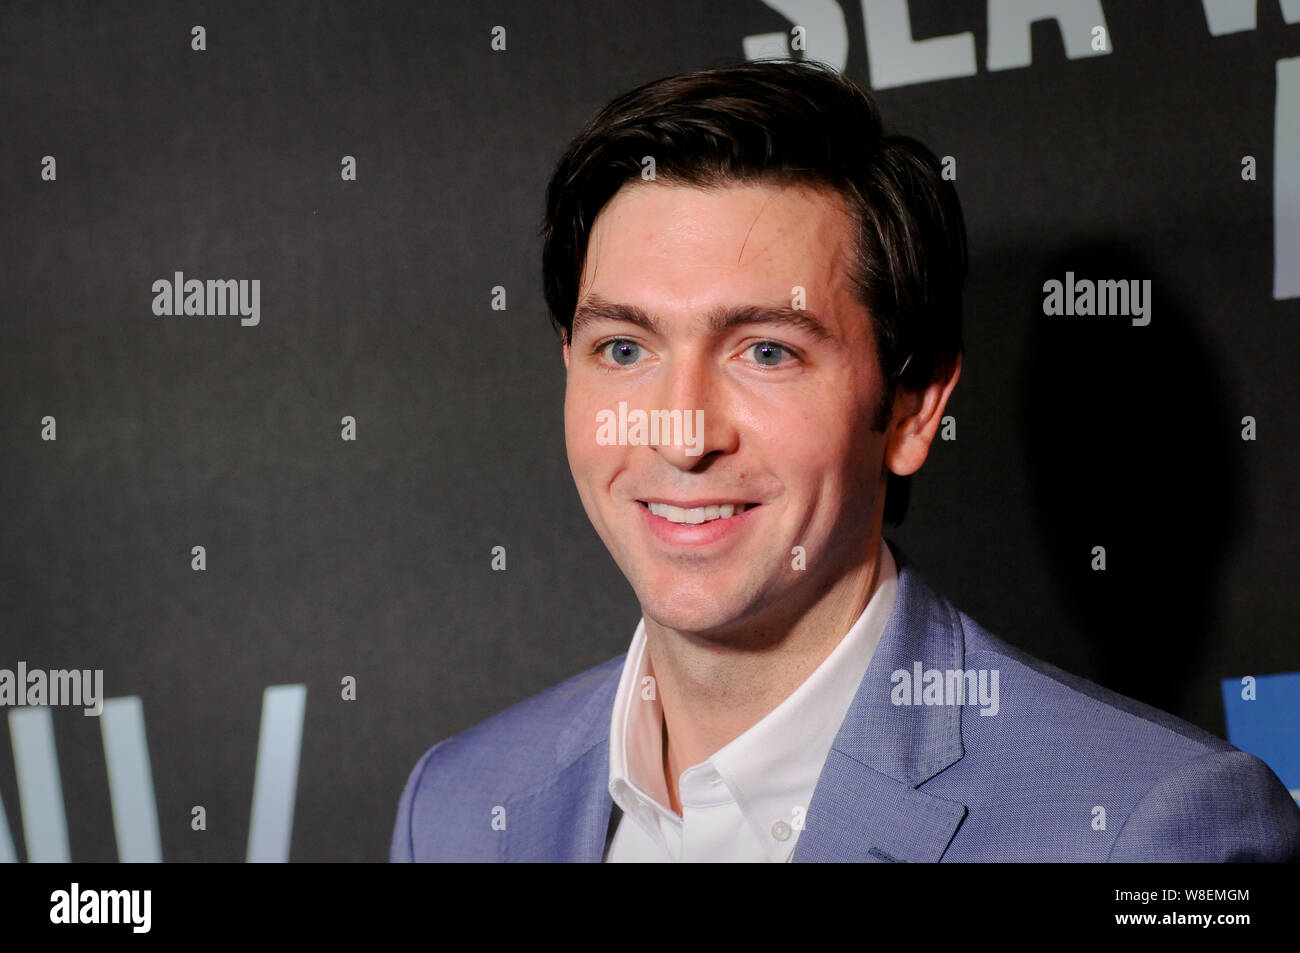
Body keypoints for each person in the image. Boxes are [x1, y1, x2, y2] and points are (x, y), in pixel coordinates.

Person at [390, 59, 1300, 862]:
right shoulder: (461, 807)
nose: (679, 433)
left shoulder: (1153, 832)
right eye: (625, 348)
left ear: (912, 408)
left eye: (767, 351)